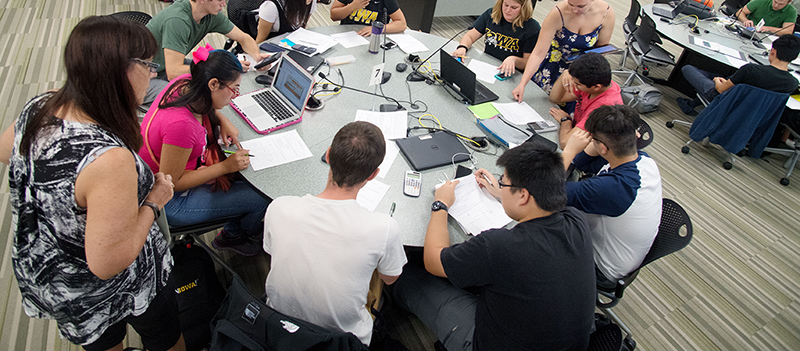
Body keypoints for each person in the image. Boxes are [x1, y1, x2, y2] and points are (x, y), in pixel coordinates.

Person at [0, 16, 184, 351]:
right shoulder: (107, 159)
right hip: (116, 284)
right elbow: (108, 262)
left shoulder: (42, 105)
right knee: (165, 338)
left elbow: (6, 152)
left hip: (58, 274)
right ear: (122, 70)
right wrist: (155, 200)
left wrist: (68, 203)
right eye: (147, 64)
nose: (153, 72)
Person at [393, 142, 595, 351]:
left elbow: (433, 261)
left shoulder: (500, 245)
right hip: (566, 341)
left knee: (404, 272)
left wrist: (441, 204)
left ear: (524, 195)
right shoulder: (576, 220)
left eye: (503, 182)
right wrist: (503, 194)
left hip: (492, 343)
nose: (500, 185)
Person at [263, 121, 406, 345]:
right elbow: (390, 277)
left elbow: (271, 251)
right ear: (373, 174)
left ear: (328, 155)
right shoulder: (384, 228)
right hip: (341, 342)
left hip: (277, 328)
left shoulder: (279, 207)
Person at [140, 47, 268, 256]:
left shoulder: (183, 83)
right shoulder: (182, 125)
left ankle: (235, 220)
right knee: (260, 197)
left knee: (243, 179)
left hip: (162, 177)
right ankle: (233, 235)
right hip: (170, 203)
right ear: (213, 84)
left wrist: (221, 119)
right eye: (234, 89)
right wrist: (224, 167)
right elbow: (174, 182)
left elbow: (208, 105)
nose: (234, 96)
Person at [560, 105, 663, 285]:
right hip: (619, 253)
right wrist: (597, 144)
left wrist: (569, 150)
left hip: (599, 269)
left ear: (603, 147)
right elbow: (582, 164)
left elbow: (545, 190)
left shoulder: (611, 188)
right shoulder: (643, 160)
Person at [145, 0, 269, 104]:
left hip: (161, 68)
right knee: (198, 95)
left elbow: (243, 38)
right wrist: (222, 69)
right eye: (220, 0)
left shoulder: (209, 13)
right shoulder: (177, 21)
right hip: (140, 79)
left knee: (214, 82)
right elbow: (173, 71)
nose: (224, 4)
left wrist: (257, 57)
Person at [513, 0, 615, 99]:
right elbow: (539, 52)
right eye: (570, 4)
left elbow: (600, 52)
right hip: (552, 67)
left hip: (579, 76)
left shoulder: (606, 13)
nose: (574, 10)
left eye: (581, 6)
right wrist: (522, 83)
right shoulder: (558, 13)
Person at [677, 33, 800, 115]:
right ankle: (691, 104)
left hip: (725, 100)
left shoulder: (751, 69)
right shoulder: (792, 83)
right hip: (749, 112)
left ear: (773, 51)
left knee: (688, 68)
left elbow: (721, 89)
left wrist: (717, 81)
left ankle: (693, 103)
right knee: (720, 77)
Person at [451, 0, 540, 76]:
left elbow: (528, 63)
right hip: (487, 67)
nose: (508, 10)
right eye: (505, 5)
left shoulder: (532, 28)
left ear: (523, 8)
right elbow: (470, 36)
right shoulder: (491, 14)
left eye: (514, 7)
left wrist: (514, 59)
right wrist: (462, 47)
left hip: (510, 74)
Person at [548, 52, 623, 149]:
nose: (575, 85)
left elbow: (566, 143)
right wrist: (565, 74)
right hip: (577, 130)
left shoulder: (604, 107)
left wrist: (565, 121)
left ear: (596, 87)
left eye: (577, 84)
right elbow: (555, 98)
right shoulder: (595, 83)